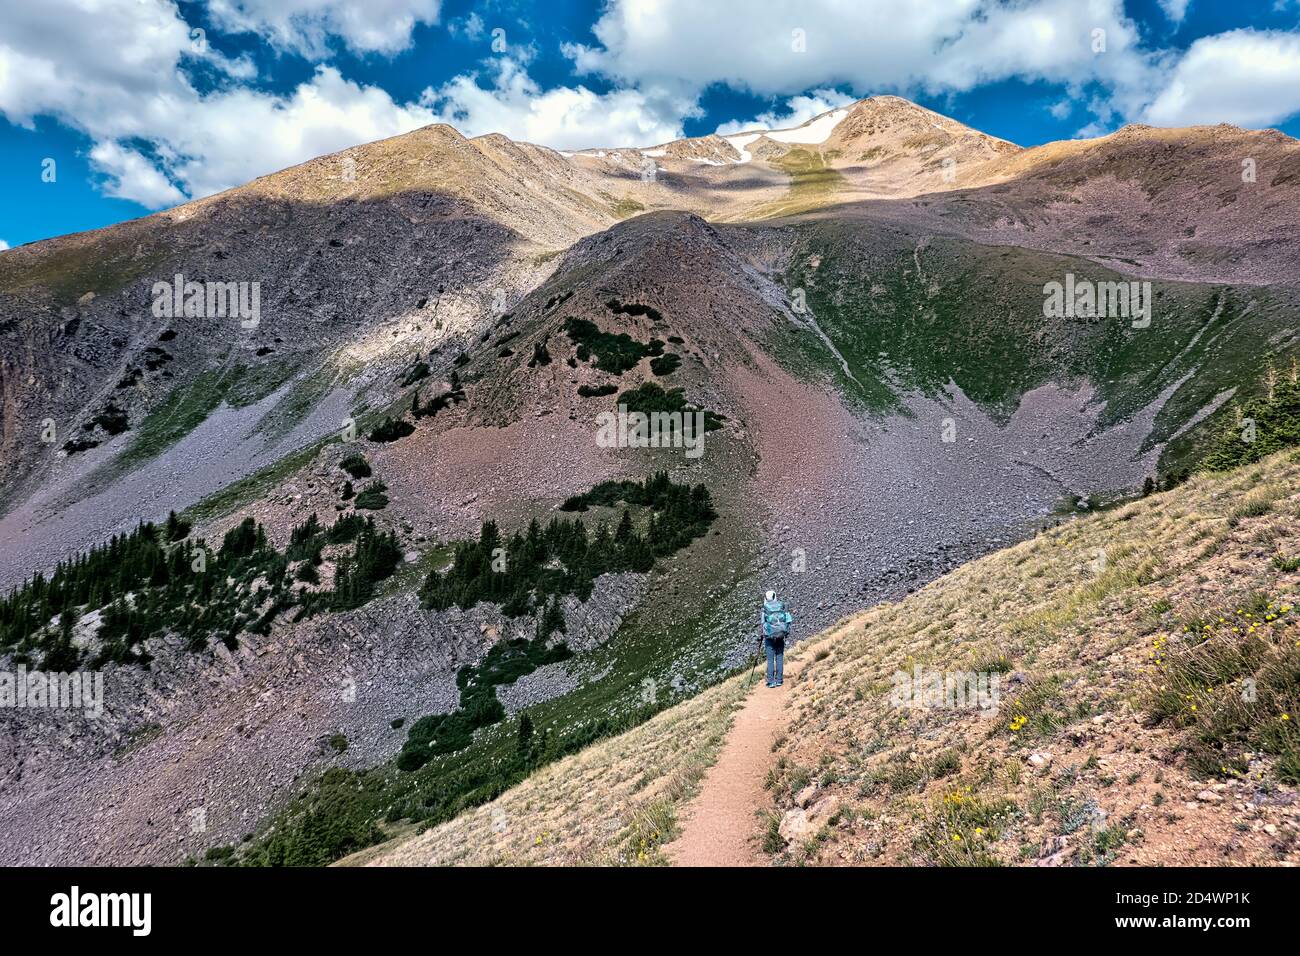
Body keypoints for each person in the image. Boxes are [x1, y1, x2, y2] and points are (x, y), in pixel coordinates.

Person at [759, 590, 792, 688]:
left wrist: (763, 634)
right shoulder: (781, 606)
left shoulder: (765, 609)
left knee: (770, 659)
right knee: (779, 657)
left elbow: (763, 623)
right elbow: (789, 620)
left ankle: (771, 681)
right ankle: (779, 680)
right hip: (781, 635)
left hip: (769, 637)